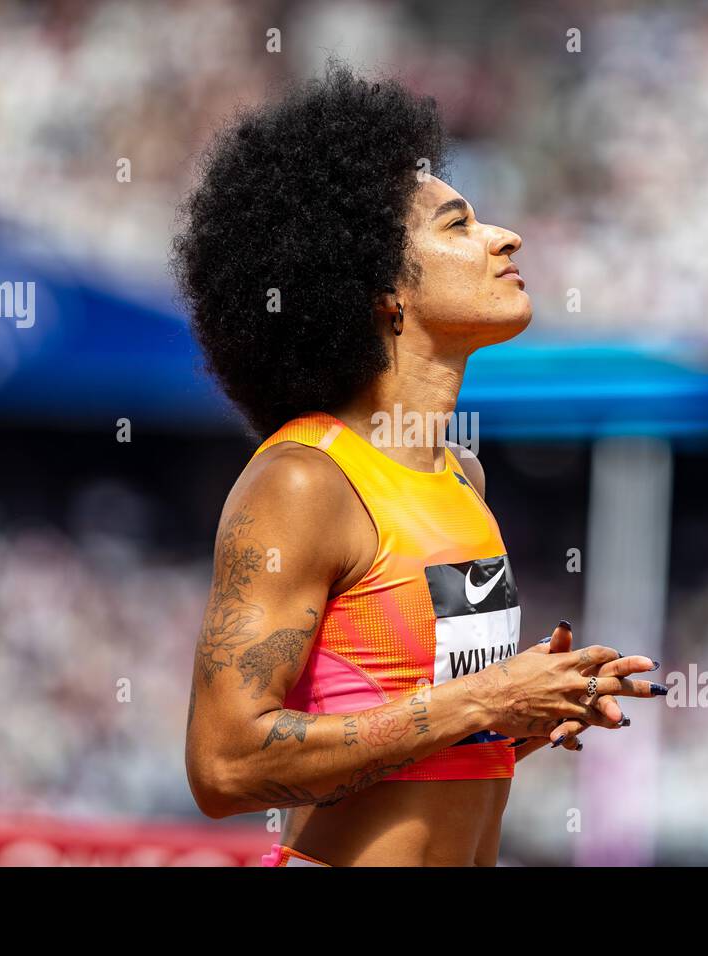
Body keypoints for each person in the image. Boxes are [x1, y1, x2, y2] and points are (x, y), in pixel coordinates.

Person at [173, 60, 664, 866]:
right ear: (382, 294)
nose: (503, 236)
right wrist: (487, 697)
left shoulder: (462, 477)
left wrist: (527, 714)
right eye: (458, 225)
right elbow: (225, 764)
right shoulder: (303, 482)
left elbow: (423, 745)